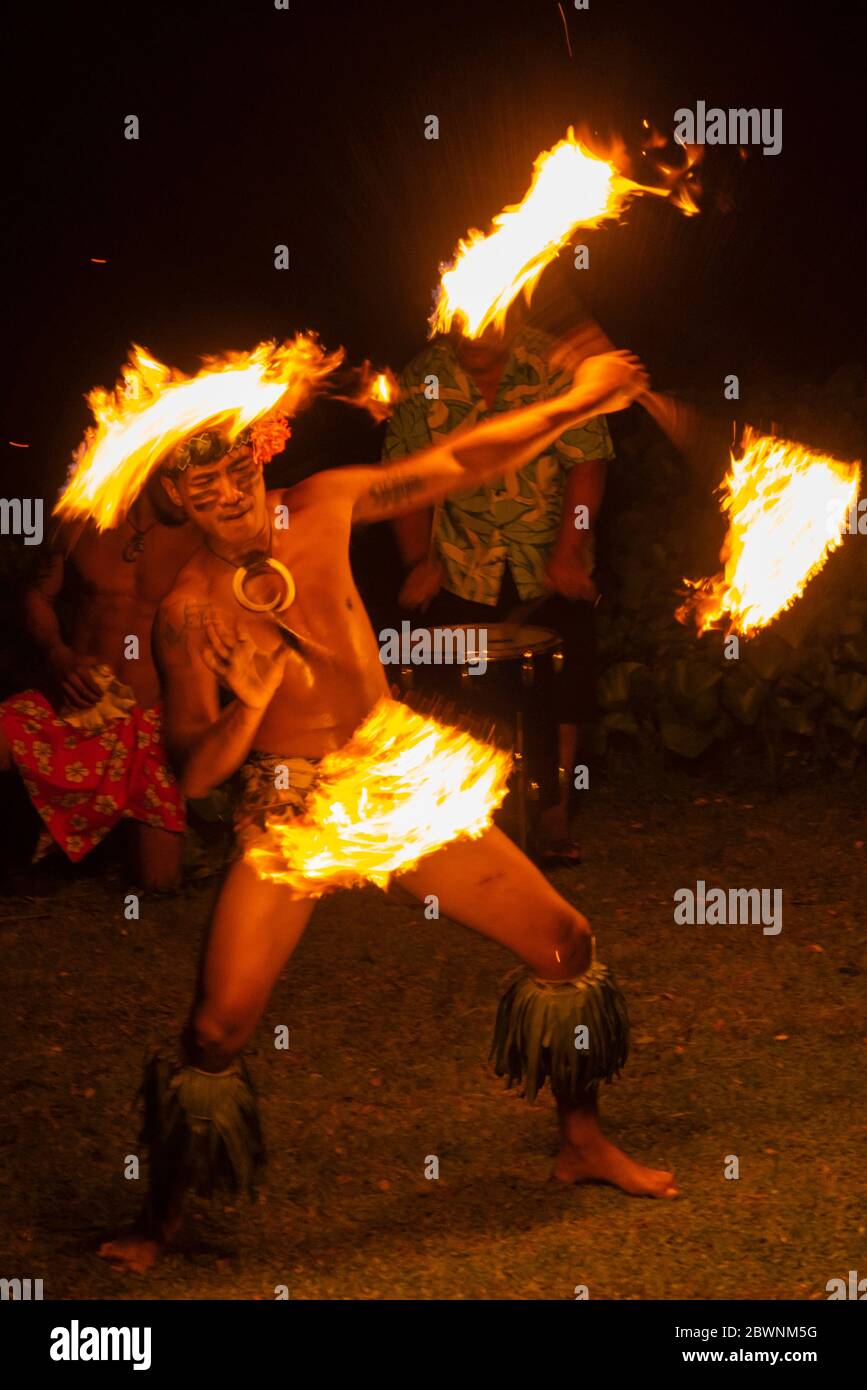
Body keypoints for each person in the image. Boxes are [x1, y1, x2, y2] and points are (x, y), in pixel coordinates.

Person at [99, 348, 675, 1275]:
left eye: (234, 473)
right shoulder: (187, 611)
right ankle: (159, 1218)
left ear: (262, 456)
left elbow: (456, 463)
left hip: (392, 768)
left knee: (564, 944)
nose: (226, 498)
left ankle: (582, 1141)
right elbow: (194, 773)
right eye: (198, 490)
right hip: (288, 803)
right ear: (173, 498)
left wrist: (573, 401)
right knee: (214, 1032)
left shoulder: (321, 505)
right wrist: (249, 700)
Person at [383, 316, 611, 861]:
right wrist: (418, 560)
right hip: (463, 560)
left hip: (548, 559)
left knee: (560, 696)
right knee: (462, 699)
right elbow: (404, 479)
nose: (476, 336)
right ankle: (466, 832)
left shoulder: (556, 367)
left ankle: (553, 825)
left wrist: (568, 550)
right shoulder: (424, 377)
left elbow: (588, 464)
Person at [0, 474, 199, 890]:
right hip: (74, 707)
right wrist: (58, 653)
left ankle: (114, 835)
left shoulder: (206, 534)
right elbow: (37, 594)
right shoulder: (84, 513)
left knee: (159, 882)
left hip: (150, 730)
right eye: (181, 480)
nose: (192, 491)